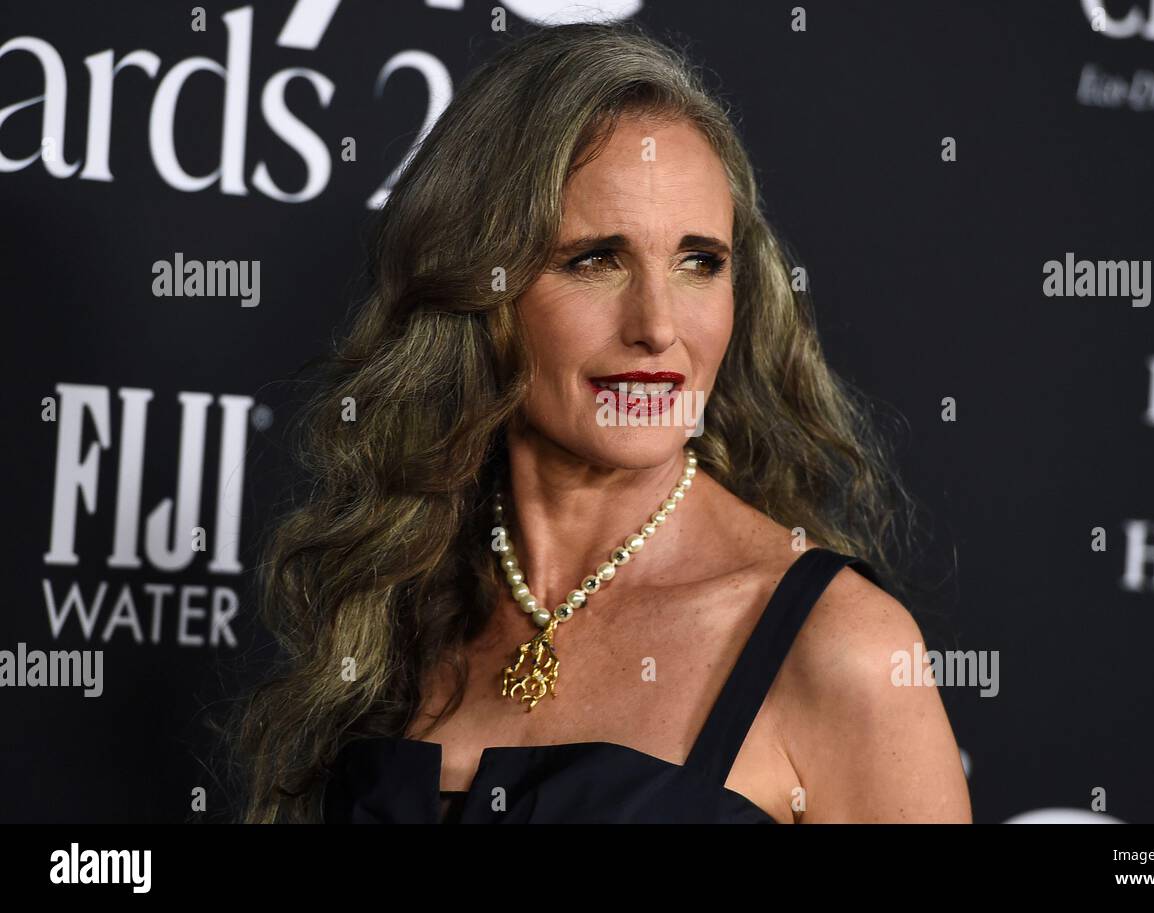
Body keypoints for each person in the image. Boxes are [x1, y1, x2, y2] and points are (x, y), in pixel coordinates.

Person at [232, 21, 970, 824]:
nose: (657, 326)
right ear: (485, 288)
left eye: (699, 262)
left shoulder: (840, 646)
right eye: (595, 259)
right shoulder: (398, 597)